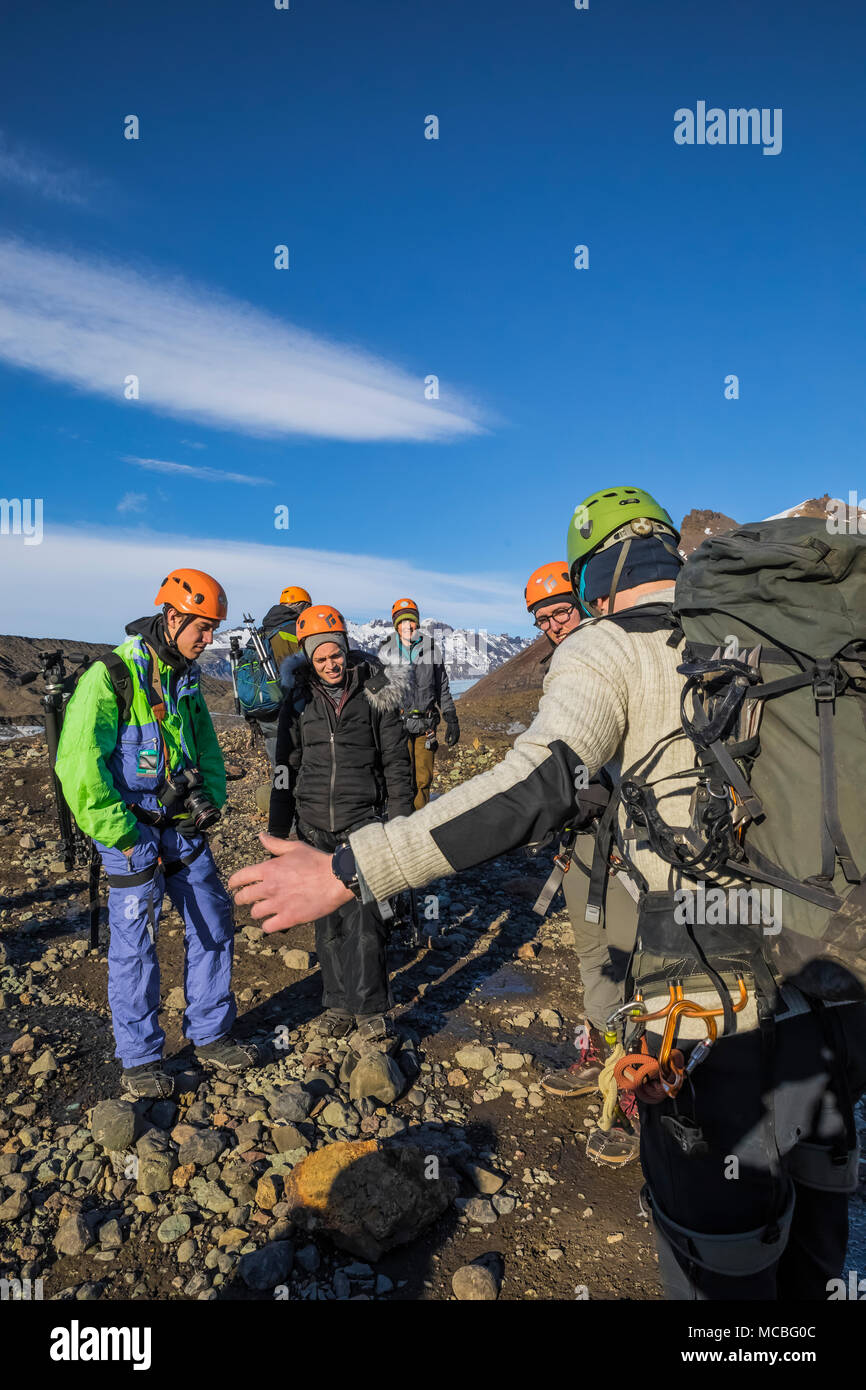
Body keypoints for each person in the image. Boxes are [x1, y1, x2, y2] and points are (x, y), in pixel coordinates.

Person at [230, 486, 866, 1303]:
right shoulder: (772, 633)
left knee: (722, 1256)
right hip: (831, 970)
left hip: (711, 987)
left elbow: (535, 783)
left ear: (594, 578)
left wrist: (352, 868)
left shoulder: (610, 646)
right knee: (819, 1220)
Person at [56, 568, 260, 1099]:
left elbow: (206, 750)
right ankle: (141, 1057)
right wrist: (122, 834)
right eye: (204, 627)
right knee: (135, 945)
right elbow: (78, 768)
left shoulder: (185, 677)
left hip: (184, 828)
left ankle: (211, 1034)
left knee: (214, 922)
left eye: (213, 628)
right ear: (172, 617)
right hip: (131, 835)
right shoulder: (112, 676)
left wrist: (209, 800)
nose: (209, 638)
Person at [524, 562, 640, 1166]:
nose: (552, 625)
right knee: (593, 948)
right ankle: (599, 1052)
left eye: (560, 612)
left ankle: (636, 1085)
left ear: (585, 605)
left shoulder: (623, 656)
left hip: (629, 841)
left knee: (635, 957)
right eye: (543, 619)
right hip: (581, 840)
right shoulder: (559, 672)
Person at [267, 603, 414, 1049]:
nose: (330, 664)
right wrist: (279, 825)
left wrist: (401, 823)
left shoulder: (376, 693)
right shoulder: (297, 698)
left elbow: (396, 763)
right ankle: (335, 1003)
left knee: (366, 918)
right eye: (320, 657)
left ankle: (370, 1009)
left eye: (335, 654)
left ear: (346, 649)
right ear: (309, 658)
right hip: (312, 824)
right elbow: (285, 764)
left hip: (363, 822)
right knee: (326, 919)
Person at [378, 597, 459, 810]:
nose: (408, 626)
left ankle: (419, 824)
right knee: (401, 780)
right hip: (398, 729)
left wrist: (451, 716)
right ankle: (400, 823)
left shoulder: (431, 649)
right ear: (396, 625)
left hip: (426, 727)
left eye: (411, 621)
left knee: (423, 780)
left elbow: (442, 686)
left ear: (417, 623)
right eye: (403, 622)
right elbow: (379, 692)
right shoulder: (386, 651)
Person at [253, 585, 312, 769]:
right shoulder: (297, 631)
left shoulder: (261, 632)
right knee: (300, 767)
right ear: (302, 606)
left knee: (280, 770)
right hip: (293, 710)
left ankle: (279, 794)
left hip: (265, 710)